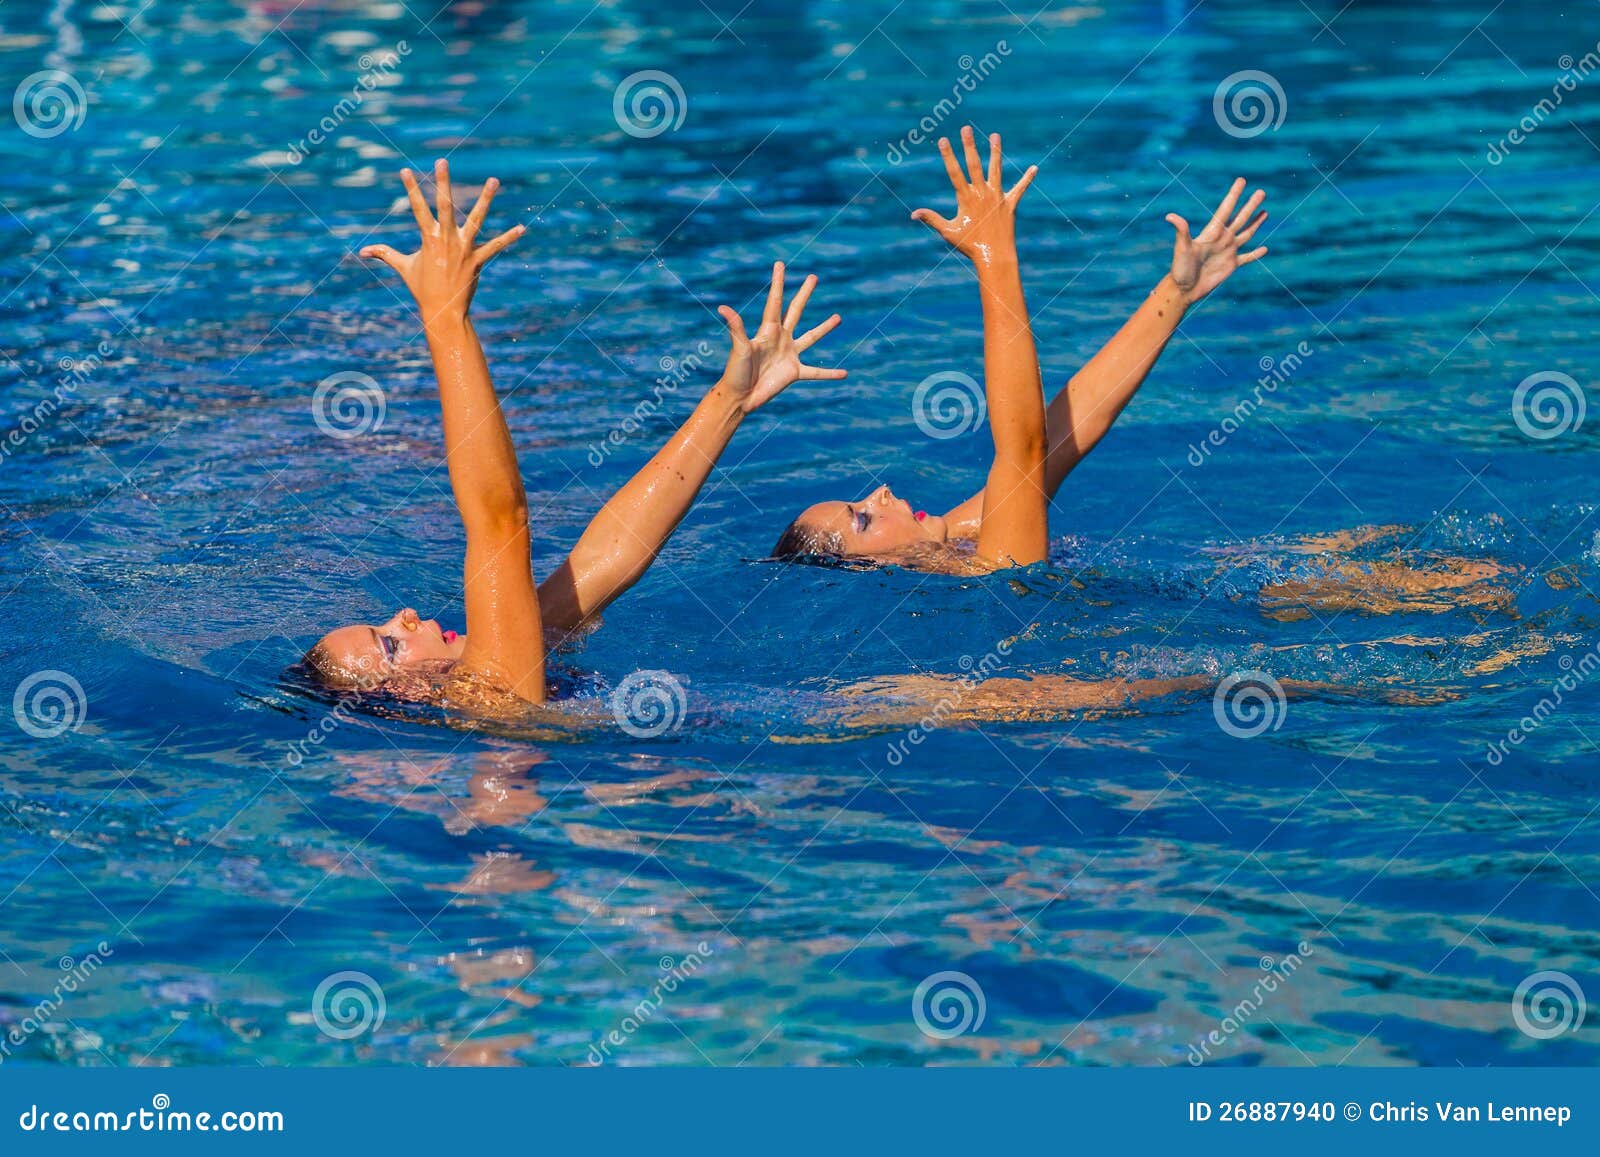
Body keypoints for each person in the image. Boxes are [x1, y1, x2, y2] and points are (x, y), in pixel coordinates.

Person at [302, 161, 847, 705]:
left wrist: (729, 402)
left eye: (385, 626)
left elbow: (603, 561)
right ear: (406, 691)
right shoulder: (486, 695)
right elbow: (500, 520)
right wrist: (446, 318)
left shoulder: (504, 667)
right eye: (391, 646)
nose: (404, 616)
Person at [772, 126, 1268, 573]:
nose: (877, 493)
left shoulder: (961, 545)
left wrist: (1175, 295)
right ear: (875, 571)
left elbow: (1053, 442)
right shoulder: (990, 576)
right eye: (862, 519)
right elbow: (1023, 449)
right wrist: (993, 253)